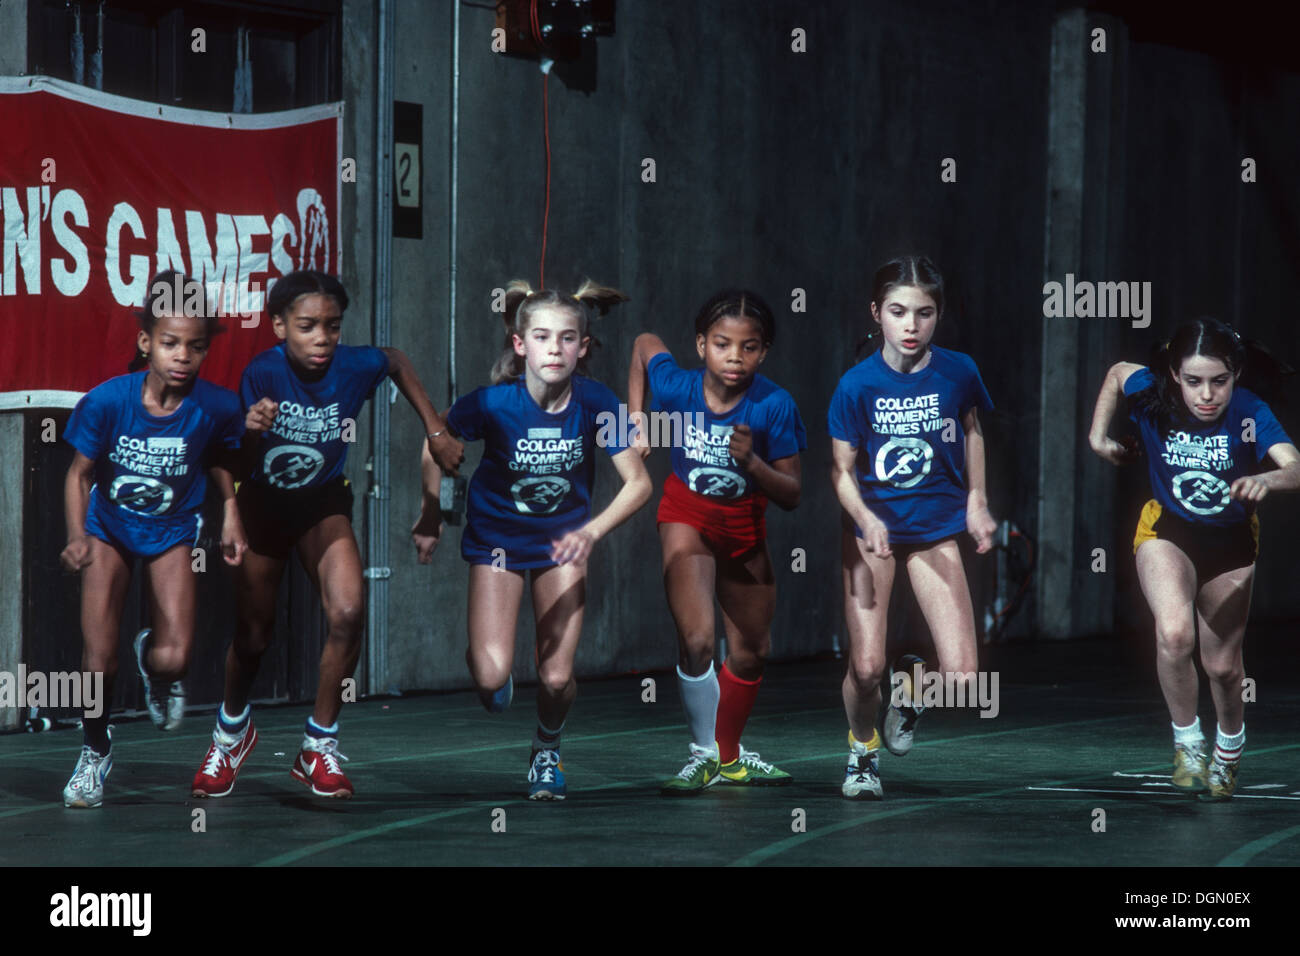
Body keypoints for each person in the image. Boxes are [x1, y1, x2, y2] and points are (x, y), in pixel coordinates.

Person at [190, 270, 464, 799]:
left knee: (347, 611)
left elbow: (397, 360)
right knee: (253, 638)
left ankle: (319, 744)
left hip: (322, 503)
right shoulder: (262, 374)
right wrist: (255, 428)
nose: (322, 339)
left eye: (332, 327)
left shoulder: (354, 365)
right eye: (308, 327)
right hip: (264, 507)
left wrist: (434, 428)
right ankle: (230, 732)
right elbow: (237, 457)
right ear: (278, 326)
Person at [417, 280, 650, 800]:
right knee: (490, 679)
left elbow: (639, 484)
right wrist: (430, 514)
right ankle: (483, 658)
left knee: (554, 677)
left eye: (568, 338)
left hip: (561, 544)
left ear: (583, 347)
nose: (555, 348)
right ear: (520, 344)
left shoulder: (596, 402)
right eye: (542, 337)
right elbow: (434, 443)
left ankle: (547, 748)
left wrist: (588, 532)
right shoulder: (492, 404)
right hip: (497, 543)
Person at [1089, 316, 1299, 801]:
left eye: (1219, 382)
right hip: (1168, 530)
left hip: (1231, 544)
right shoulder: (1151, 394)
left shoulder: (1249, 411)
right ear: (1174, 375)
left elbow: (1295, 466)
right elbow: (1120, 371)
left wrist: (1267, 479)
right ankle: (1187, 744)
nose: (1207, 395)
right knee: (1173, 632)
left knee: (1222, 667)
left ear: (1237, 375)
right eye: (1194, 382)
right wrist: (1098, 437)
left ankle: (1229, 748)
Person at [60, 271, 246, 808]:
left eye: (195, 346)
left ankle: (153, 665)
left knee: (175, 658)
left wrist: (231, 510)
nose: (182, 356)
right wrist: (76, 535)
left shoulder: (217, 407)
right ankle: (95, 751)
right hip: (108, 530)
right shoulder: (108, 402)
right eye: (170, 343)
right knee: (97, 662)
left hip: (171, 531)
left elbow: (219, 458)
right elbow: (78, 474)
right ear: (146, 343)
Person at [828, 255, 996, 800]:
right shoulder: (856, 386)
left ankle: (912, 693)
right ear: (877, 313)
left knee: (965, 679)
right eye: (898, 311)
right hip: (873, 532)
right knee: (868, 663)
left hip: (934, 529)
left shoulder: (959, 371)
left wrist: (977, 501)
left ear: (937, 317)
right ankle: (861, 755)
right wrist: (865, 516)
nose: (910, 325)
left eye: (924, 313)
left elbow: (973, 433)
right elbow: (841, 471)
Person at [628, 289, 806, 795]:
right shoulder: (678, 387)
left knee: (751, 652)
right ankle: (701, 753)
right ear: (701, 344)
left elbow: (793, 494)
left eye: (748, 347)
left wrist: (752, 464)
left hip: (745, 533)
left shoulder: (774, 405)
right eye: (722, 344)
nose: (734, 356)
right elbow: (644, 344)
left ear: (763, 352)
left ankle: (728, 756)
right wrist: (636, 416)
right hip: (686, 517)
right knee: (700, 639)